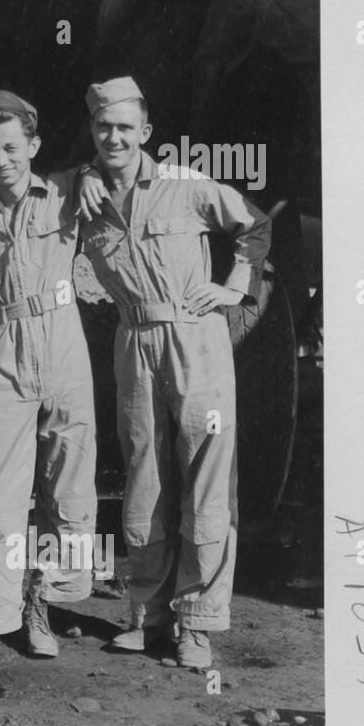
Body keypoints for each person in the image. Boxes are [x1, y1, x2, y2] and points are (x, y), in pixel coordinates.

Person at [76, 76, 270, 669]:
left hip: (196, 338)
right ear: (93, 131)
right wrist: (84, 174)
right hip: (134, 340)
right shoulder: (83, 197)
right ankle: (146, 612)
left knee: (206, 477)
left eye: (126, 128)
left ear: (147, 133)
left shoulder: (187, 186)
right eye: (104, 127)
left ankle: (197, 623)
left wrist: (235, 285)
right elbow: (24, 183)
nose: (115, 137)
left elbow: (254, 224)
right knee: (144, 474)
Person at [0, 90, 98, 666]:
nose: (2, 158)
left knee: (68, 485)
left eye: (12, 146)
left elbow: (121, 168)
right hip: (5, 348)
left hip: (63, 343)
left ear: (33, 145)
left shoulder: (66, 191)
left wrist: (89, 172)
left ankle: (42, 604)